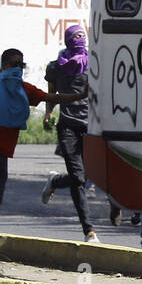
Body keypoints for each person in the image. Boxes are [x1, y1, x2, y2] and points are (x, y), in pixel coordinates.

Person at [0, 48, 89, 236]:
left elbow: (52, 97)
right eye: (14, 64)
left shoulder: (24, 90)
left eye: (21, 65)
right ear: (4, 66)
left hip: (2, 151)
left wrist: (81, 95)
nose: (18, 68)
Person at [39, 25, 96, 240]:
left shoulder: (94, 64)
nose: (80, 39)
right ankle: (88, 230)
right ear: (67, 40)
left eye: (83, 36)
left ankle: (54, 182)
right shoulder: (55, 67)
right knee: (79, 179)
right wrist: (47, 113)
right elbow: (51, 94)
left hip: (91, 127)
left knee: (90, 175)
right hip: (68, 126)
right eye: (76, 36)